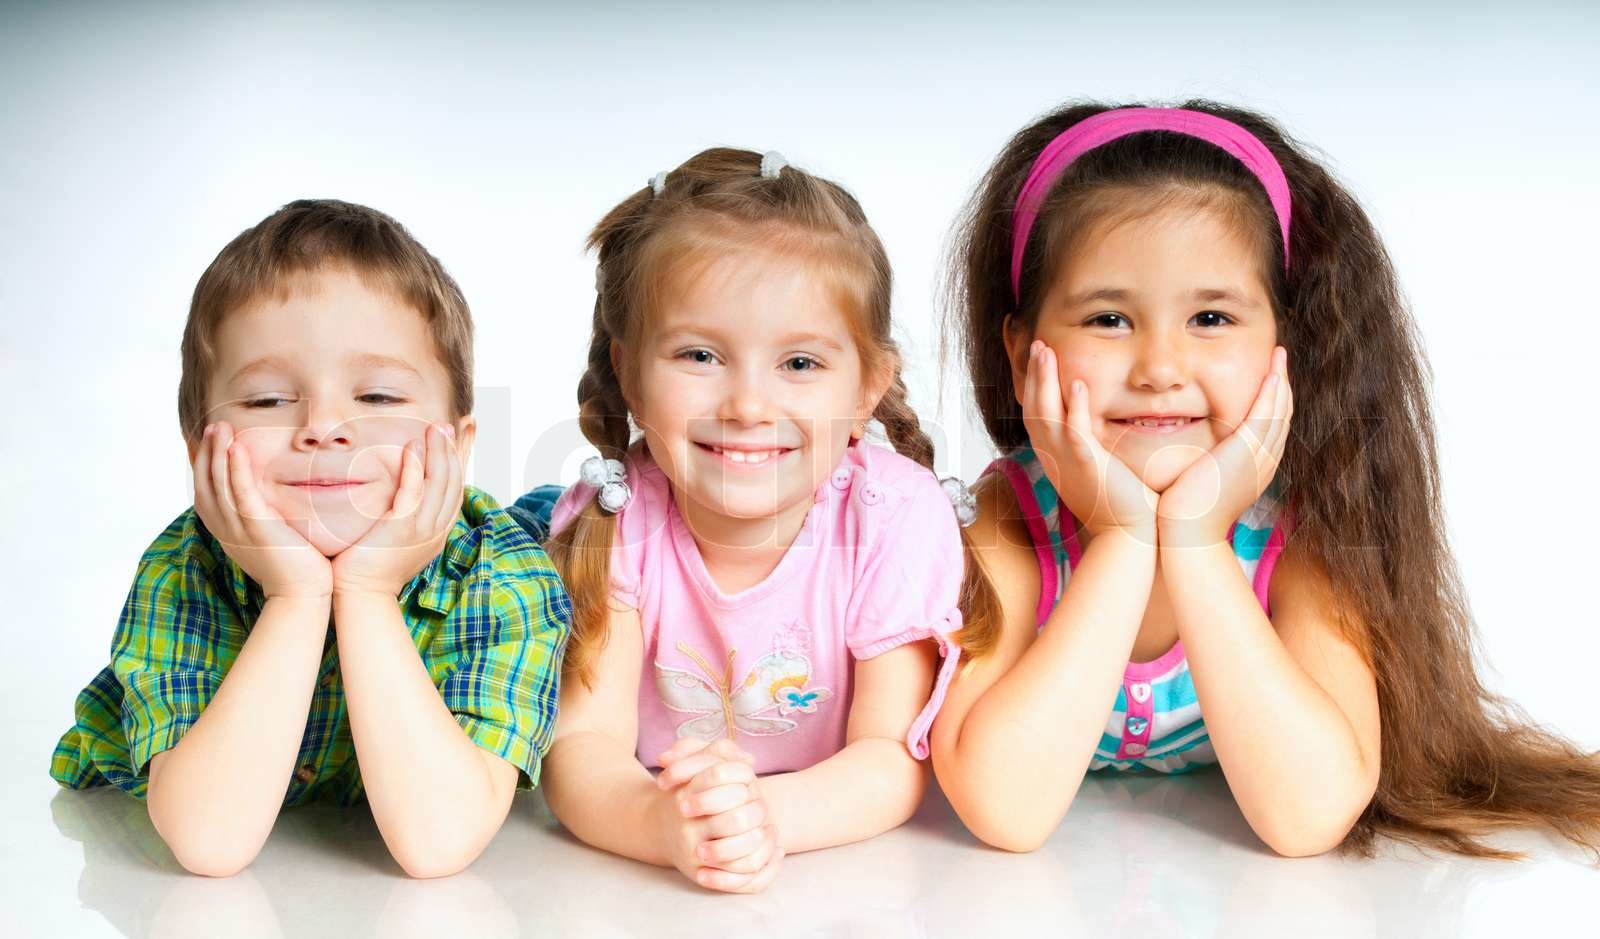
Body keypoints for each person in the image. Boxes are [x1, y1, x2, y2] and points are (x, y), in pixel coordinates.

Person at [931, 102, 1600, 858]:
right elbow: (1004, 809)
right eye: (1109, 319)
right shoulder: (1003, 518)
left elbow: (1307, 817)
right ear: (1024, 356)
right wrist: (1121, 537)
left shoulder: (1303, 534)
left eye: (1211, 318)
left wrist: (1194, 539)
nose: (1159, 369)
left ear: (1287, 346)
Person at [51, 199, 571, 877]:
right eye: (268, 400)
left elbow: (438, 843)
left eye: (379, 397)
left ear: (458, 445)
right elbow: (209, 842)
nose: (324, 426)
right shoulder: (184, 569)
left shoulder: (503, 574)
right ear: (197, 448)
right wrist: (294, 594)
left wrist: (368, 590)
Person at [529, 148, 989, 893]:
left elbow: (888, 759)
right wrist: (661, 824)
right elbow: (582, 748)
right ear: (629, 374)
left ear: (868, 384)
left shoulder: (894, 515)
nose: (747, 406)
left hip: (840, 884)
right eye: (700, 354)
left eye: (800, 364)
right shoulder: (620, 513)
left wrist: (758, 815)